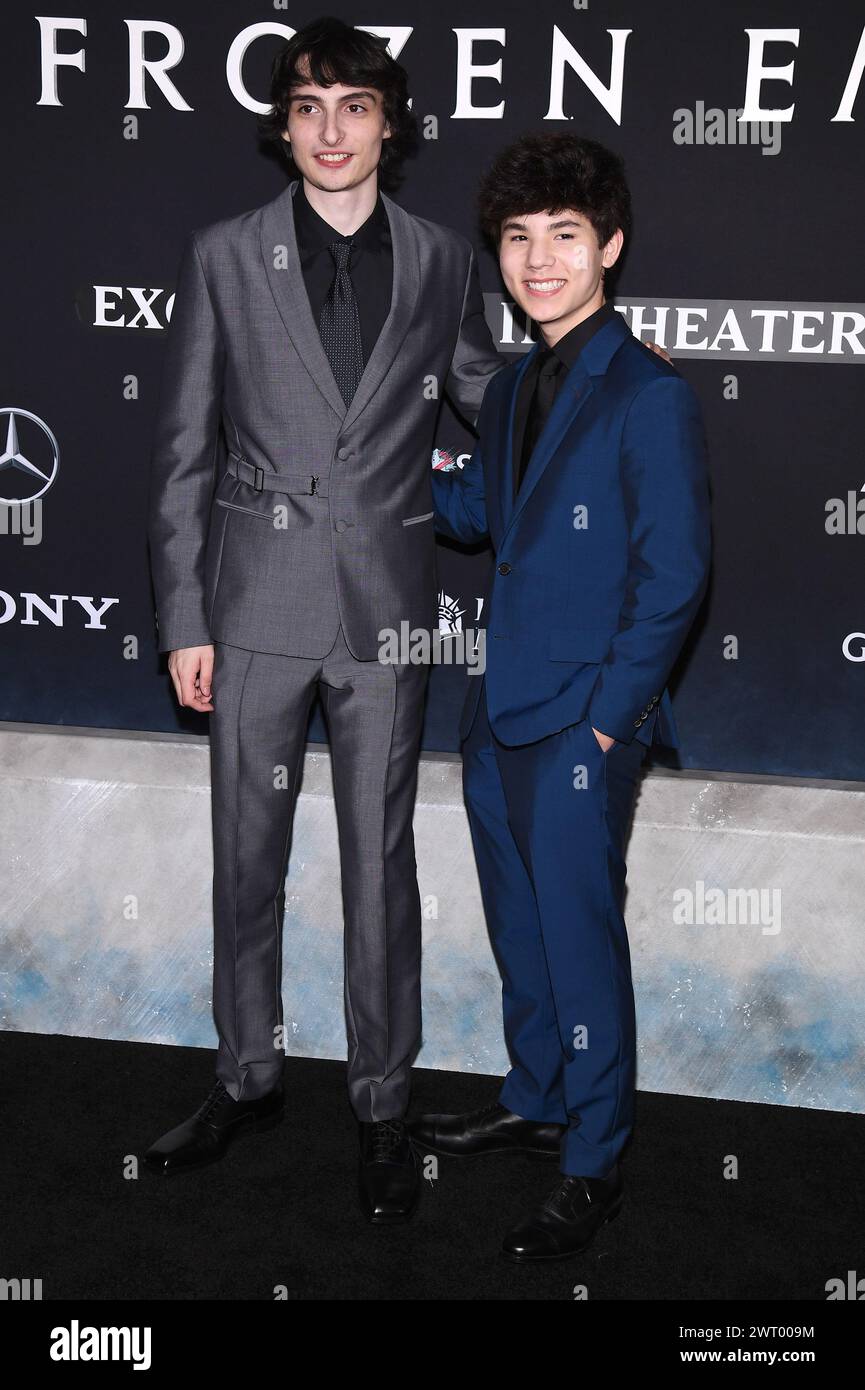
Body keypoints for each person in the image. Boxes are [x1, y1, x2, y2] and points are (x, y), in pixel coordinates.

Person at [143, 17, 503, 1223]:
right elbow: (186, 448)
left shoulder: (445, 258)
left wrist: (587, 380)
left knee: (378, 867)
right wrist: (184, 616)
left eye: (356, 105)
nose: (332, 129)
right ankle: (246, 1075)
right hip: (251, 606)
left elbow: (483, 400)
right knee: (246, 860)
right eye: (308, 107)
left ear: (390, 124)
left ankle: (383, 1102)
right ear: (283, 125)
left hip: (387, 614)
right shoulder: (225, 255)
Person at [412, 132, 712, 1261]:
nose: (539, 260)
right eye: (519, 239)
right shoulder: (521, 379)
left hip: (580, 722)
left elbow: (674, 574)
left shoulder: (646, 392)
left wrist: (607, 717)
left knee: (580, 942)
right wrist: (376, 468)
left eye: (565, 238)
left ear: (610, 247)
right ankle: (535, 1095)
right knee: (521, 928)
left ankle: (593, 1161)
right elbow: (486, 517)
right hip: (496, 714)